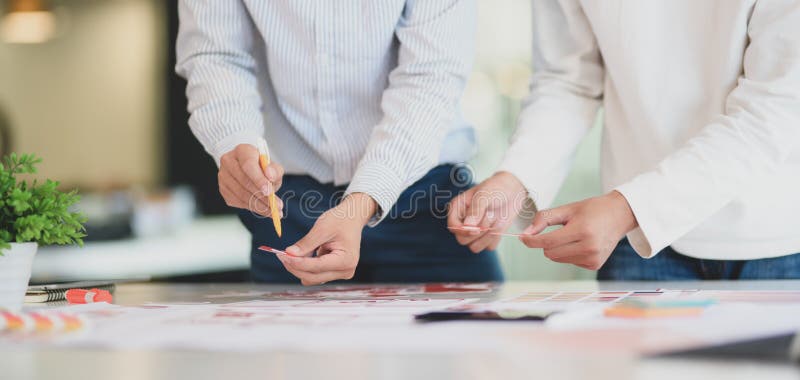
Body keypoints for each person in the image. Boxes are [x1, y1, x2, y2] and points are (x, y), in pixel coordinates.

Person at [449, 0, 800, 280]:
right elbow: (569, 80)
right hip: (636, 241)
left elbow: (775, 109)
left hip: (774, 240)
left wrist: (628, 208)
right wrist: (515, 178)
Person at [176, 0, 502, 284]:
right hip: (287, 204)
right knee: (289, 353)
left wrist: (359, 205)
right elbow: (215, 54)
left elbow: (430, 78)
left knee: (461, 350)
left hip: (425, 201)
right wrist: (234, 141)